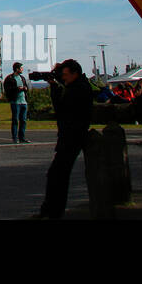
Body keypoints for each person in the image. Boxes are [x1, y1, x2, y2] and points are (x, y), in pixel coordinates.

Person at [37, 59, 93, 219]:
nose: (64, 78)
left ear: (74, 73)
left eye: (66, 75)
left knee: (57, 176)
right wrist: (56, 76)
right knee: (57, 175)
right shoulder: (79, 85)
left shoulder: (78, 89)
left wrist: (53, 86)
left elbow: (60, 109)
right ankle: (50, 210)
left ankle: (52, 211)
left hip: (71, 137)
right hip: (71, 136)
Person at [4, 62, 31, 144]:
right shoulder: (10, 78)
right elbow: (8, 90)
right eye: (21, 68)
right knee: (15, 120)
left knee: (23, 120)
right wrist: (17, 89)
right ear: (17, 69)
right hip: (15, 102)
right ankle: (15, 138)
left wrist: (25, 89)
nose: (22, 69)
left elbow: (26, 87)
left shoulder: (22, 78)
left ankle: (22, 137)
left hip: (23, 102)